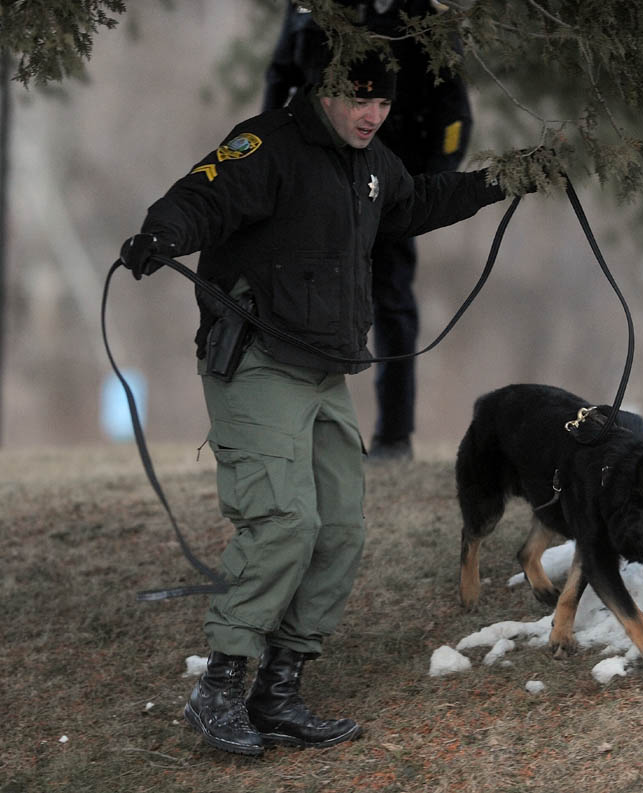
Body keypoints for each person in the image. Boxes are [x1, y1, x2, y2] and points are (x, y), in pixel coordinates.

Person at [119, 53, 525, 757]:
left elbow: (419, 201)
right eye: (357, 100)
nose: (372, 114)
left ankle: (277, 693)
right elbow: (200, 195)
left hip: (323, 368)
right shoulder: (269, 145)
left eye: (383, 105)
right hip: (256, 358)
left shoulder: (370, 164)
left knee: (338, 527)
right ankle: (218, 688)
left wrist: (504, 180)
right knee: (284, 519)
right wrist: (161, 234)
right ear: (325, 91)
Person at [263, 0, 474, 461]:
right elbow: (280, 78)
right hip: (314, 179)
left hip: (393, 186)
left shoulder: (424, 12)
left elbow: (454, 116)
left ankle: (394, 437)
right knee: (299, 301)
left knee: (392, 307)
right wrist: (270, 159)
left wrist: (428, 188)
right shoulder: (310, 7)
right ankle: (302, 431)